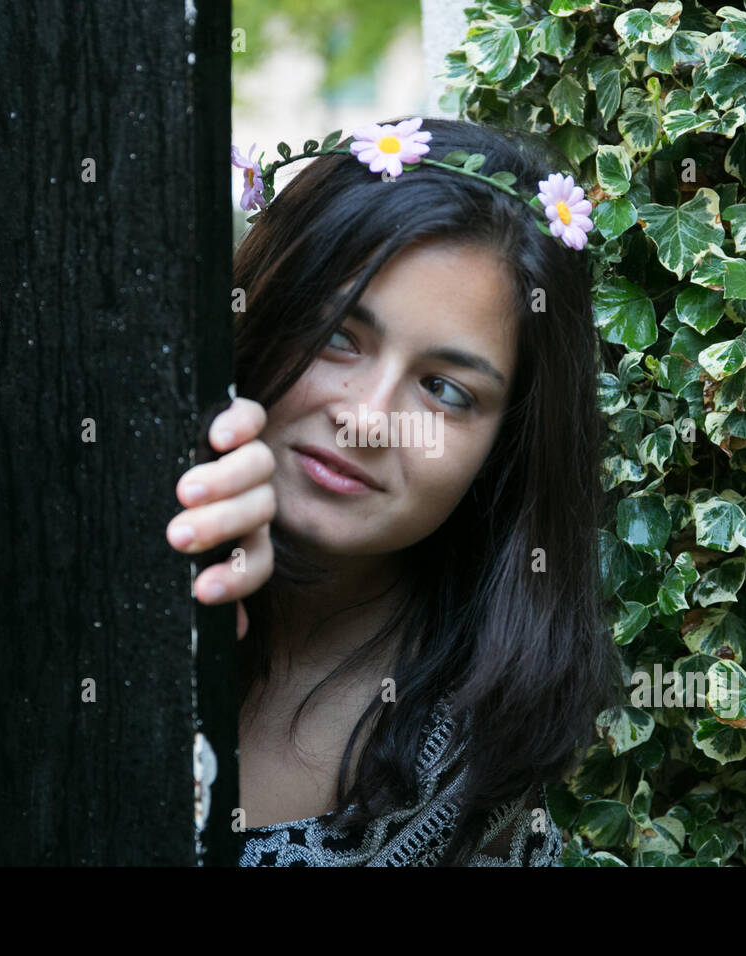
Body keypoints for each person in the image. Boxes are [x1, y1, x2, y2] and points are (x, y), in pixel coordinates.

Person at [168, 116, 623, 866]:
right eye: (339, 335)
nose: (367, 420)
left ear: (503, 449)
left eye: (444, 389)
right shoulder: (81, 549)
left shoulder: (476, 764)